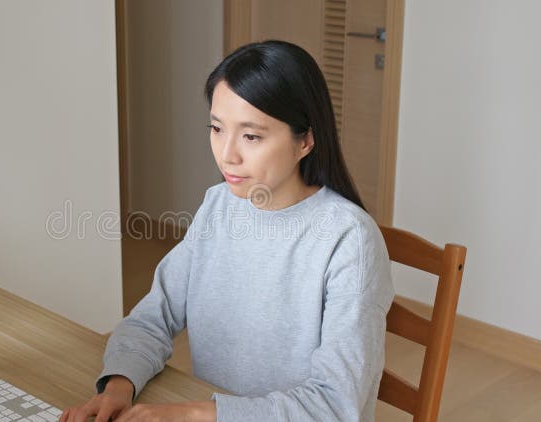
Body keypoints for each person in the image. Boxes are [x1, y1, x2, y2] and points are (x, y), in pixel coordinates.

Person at [61, 39, 395, 422]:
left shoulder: (349, 239)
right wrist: (120, 385)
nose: (227, 154)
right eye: (217, 128)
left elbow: (335, 406)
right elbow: (153, 316)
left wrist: (189, 414)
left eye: (251, 136)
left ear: (306, 139)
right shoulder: (220, 205)